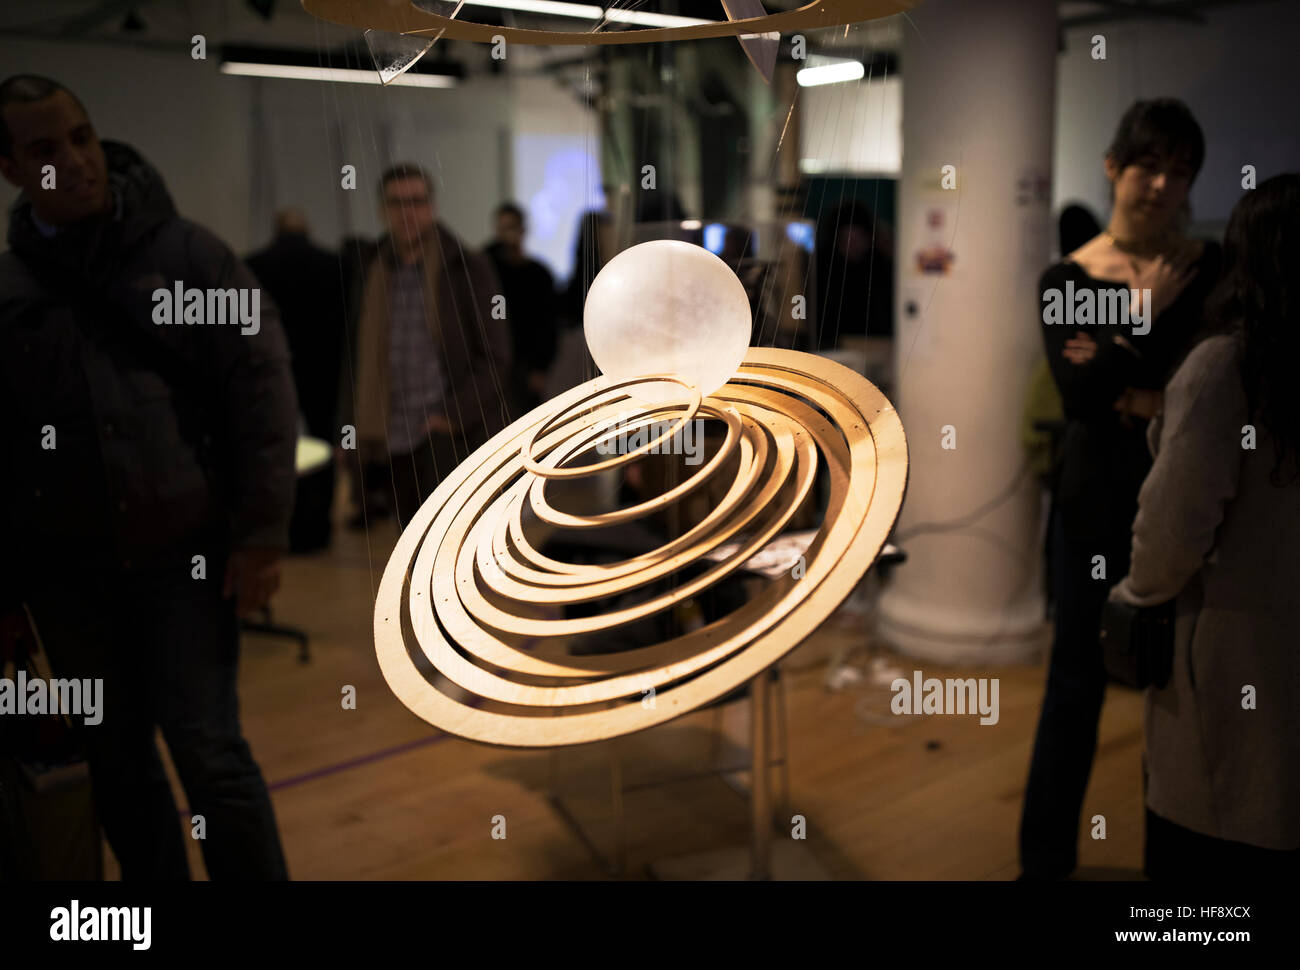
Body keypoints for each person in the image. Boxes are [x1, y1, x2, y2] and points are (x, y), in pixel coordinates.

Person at [0, 75, 296, 879]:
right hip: (67, 581)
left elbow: (260, 385)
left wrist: (263, 533)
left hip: (184, 561)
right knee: (117, 766)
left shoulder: (185, 254)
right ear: (11, 169)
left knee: (210, 756)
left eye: (83, 137)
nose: (76, 161)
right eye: (44, 150)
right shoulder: (12, 291)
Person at [1019, 98, 1223, 880]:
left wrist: (1128, 380)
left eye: (1180, 172)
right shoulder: (1068, 276)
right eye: (1149, 167)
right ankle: (1043, 868)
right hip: (1093, 500)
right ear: (1113, 167)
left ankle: (1171, 888)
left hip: (1184, 506)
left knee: (1176, 701)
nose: (1163, 185)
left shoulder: (1207, 268)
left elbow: (1211, 385)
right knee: (1074, 690)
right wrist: (1146, 315)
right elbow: (1078, 396)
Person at [1108, 173, 1300, 879]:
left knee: (1211, 837)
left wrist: (1132, 594)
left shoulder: (1227, 367)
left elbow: (1170, 534)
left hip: (1229, 656)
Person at [352, 164, 510, 529]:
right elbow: (355, 358)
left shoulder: (468, 267)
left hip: (447, 434)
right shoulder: (371, 269)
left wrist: (452, 416)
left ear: (432, 207)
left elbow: (496, 357)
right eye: (396, 203)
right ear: (383, 211)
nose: (407, 212)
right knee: (409, 545)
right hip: (390, 433)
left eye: (416, 202)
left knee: (455, 544)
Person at [247, 208, 345, 551]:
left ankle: (281, 529)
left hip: (270, 371)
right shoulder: (333, 266)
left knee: (275, 449)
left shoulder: (253, 265)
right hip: (323, 372)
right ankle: (317, 528)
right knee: (320, 448)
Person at [483, 202, 558, 416]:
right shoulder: (488, 269)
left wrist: (541, 368)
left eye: (512, 227)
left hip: (525, 367)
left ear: (523, 229)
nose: (507, 234)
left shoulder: (539, 275)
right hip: (494, 366)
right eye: (502, 228)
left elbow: (548, 325)